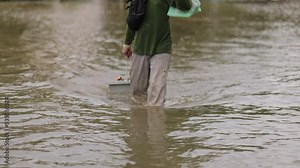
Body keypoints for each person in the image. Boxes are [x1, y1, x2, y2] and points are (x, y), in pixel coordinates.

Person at [122, 0, 192, 106]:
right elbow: (132, 19)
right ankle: (140, 119)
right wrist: (127, 43)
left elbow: (186, 7)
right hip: (140, 47)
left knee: (157, 88)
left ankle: (156, 118)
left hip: (162, 46)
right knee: (138, 90)